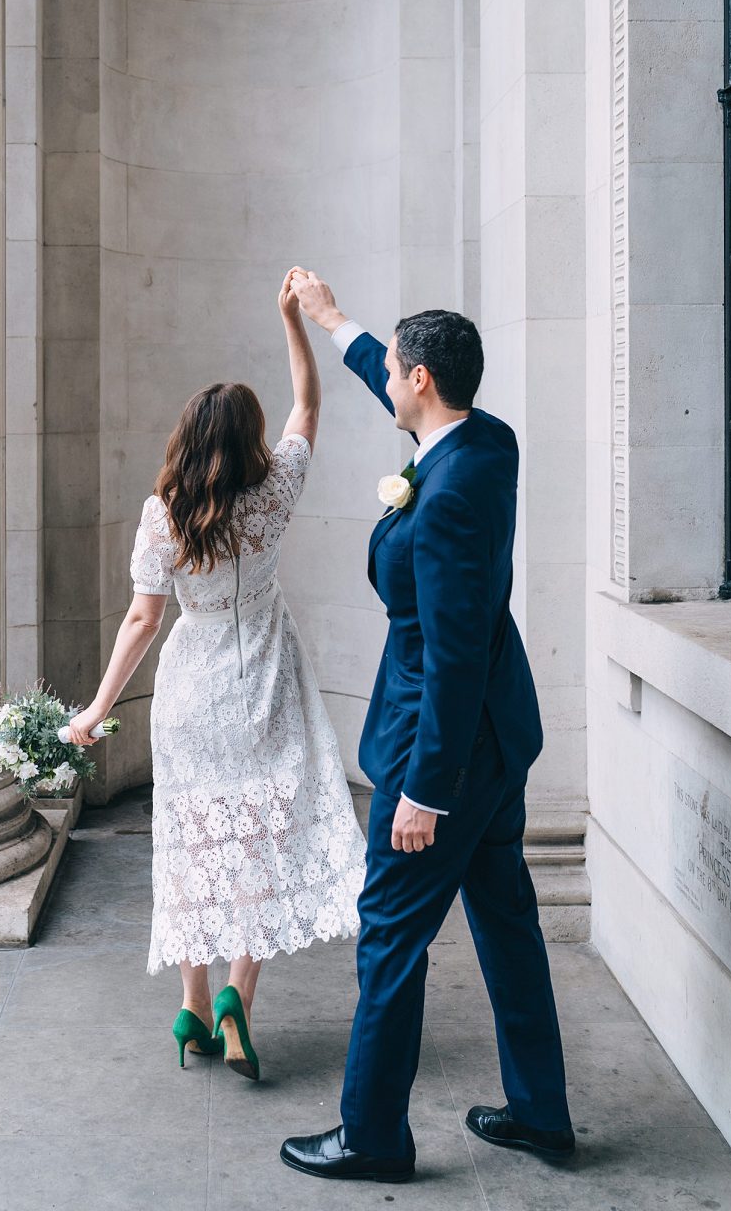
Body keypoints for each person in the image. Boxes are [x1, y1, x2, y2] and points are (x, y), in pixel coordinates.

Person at [279, 271, 574, 1183]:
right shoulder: (486, 442)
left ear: (422, 382)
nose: (388, 381)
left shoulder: (441, 501)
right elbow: (398, 386)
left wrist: (424, 793)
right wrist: (332, 320)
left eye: (395, 372)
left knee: (389, 936)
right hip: (499, 739)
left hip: (439, 749)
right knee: (508, 924)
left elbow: (452, 659)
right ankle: (540, 1113)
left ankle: (371, 1135)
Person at [68, 270, 366, 1081]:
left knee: (193, 843)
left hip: (190, 694)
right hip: (263, 683)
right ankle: (238, 999)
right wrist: (293, 321)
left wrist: (95, 709)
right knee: (257, 843)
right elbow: (309, 407)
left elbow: (142, 621)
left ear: (187, 440)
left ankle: (193, 1004)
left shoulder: (163, 514)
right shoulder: (273, 492)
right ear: (248, 441)